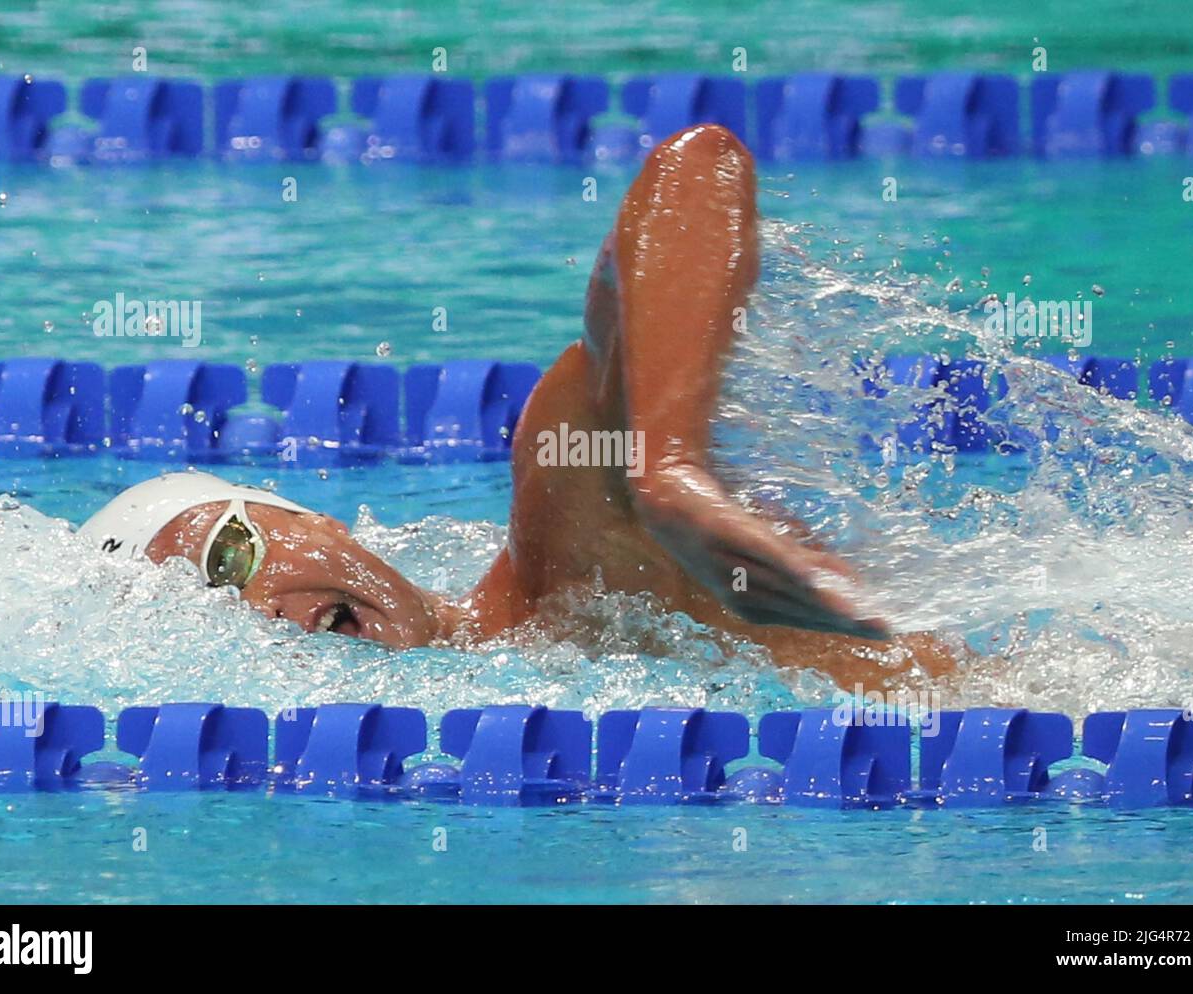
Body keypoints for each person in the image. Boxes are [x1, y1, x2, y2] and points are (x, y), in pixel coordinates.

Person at [81, 124, 959, 688]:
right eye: (208, 617)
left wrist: (668, 467)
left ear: (321, 522)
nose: (255, 615)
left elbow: (696, 167)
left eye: (231, 559)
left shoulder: (561, 576)